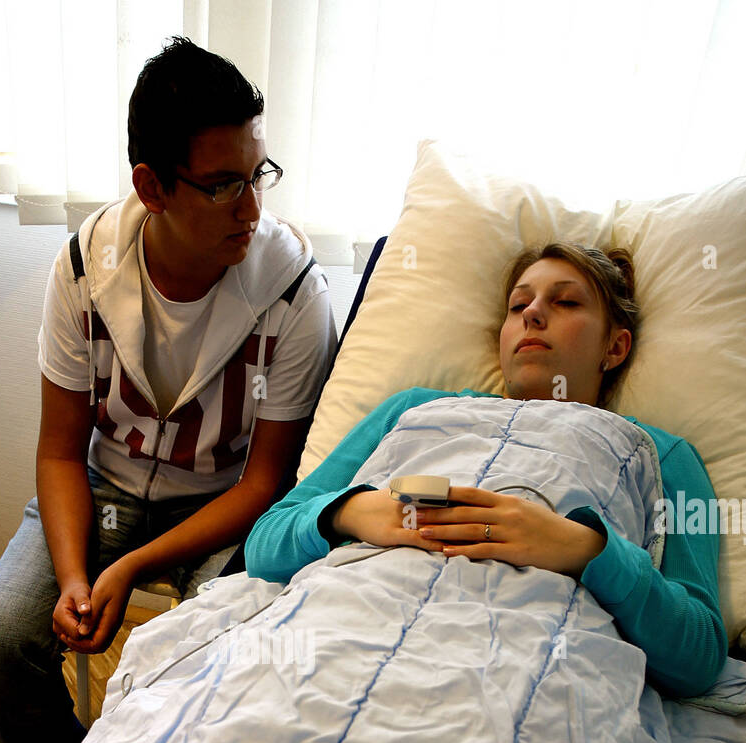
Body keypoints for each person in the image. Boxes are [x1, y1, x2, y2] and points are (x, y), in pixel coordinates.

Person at [0, 37, 337, 743]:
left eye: (258, 173)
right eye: (223, 184)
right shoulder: (80, 268)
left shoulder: (294, 292)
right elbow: (62, 453)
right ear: (152, 185)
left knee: (214, 650)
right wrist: (75, 574)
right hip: (102, 487)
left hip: (224, 505)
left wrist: (129, 566)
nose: (253, 207)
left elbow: (268, 480)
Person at [244, 243, 727, 699]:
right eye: (518, 307)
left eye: (565, 303)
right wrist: (351, 513)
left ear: (615, 348)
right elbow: (263, 545)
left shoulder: (660, 454)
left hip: (527, 665)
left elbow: (700, 655)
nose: (533, 314)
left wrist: (585, 550)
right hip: (342, 628)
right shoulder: (413, 409)